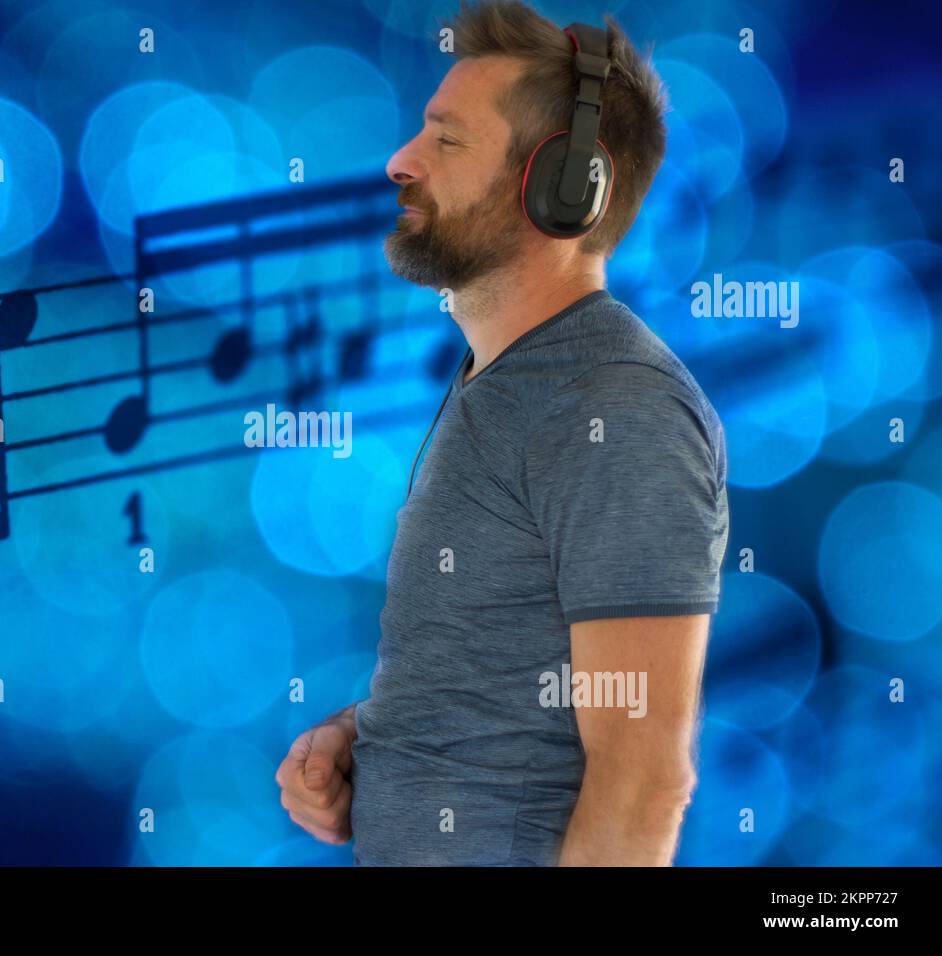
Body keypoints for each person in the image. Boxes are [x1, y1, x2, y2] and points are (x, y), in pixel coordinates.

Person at [274, 0, 728, 866]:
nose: (400, 162)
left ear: (563, 187)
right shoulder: (497, 379)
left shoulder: (613, 407)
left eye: (446, 142)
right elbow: (501, 680)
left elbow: (643, 780)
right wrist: (359, 737)